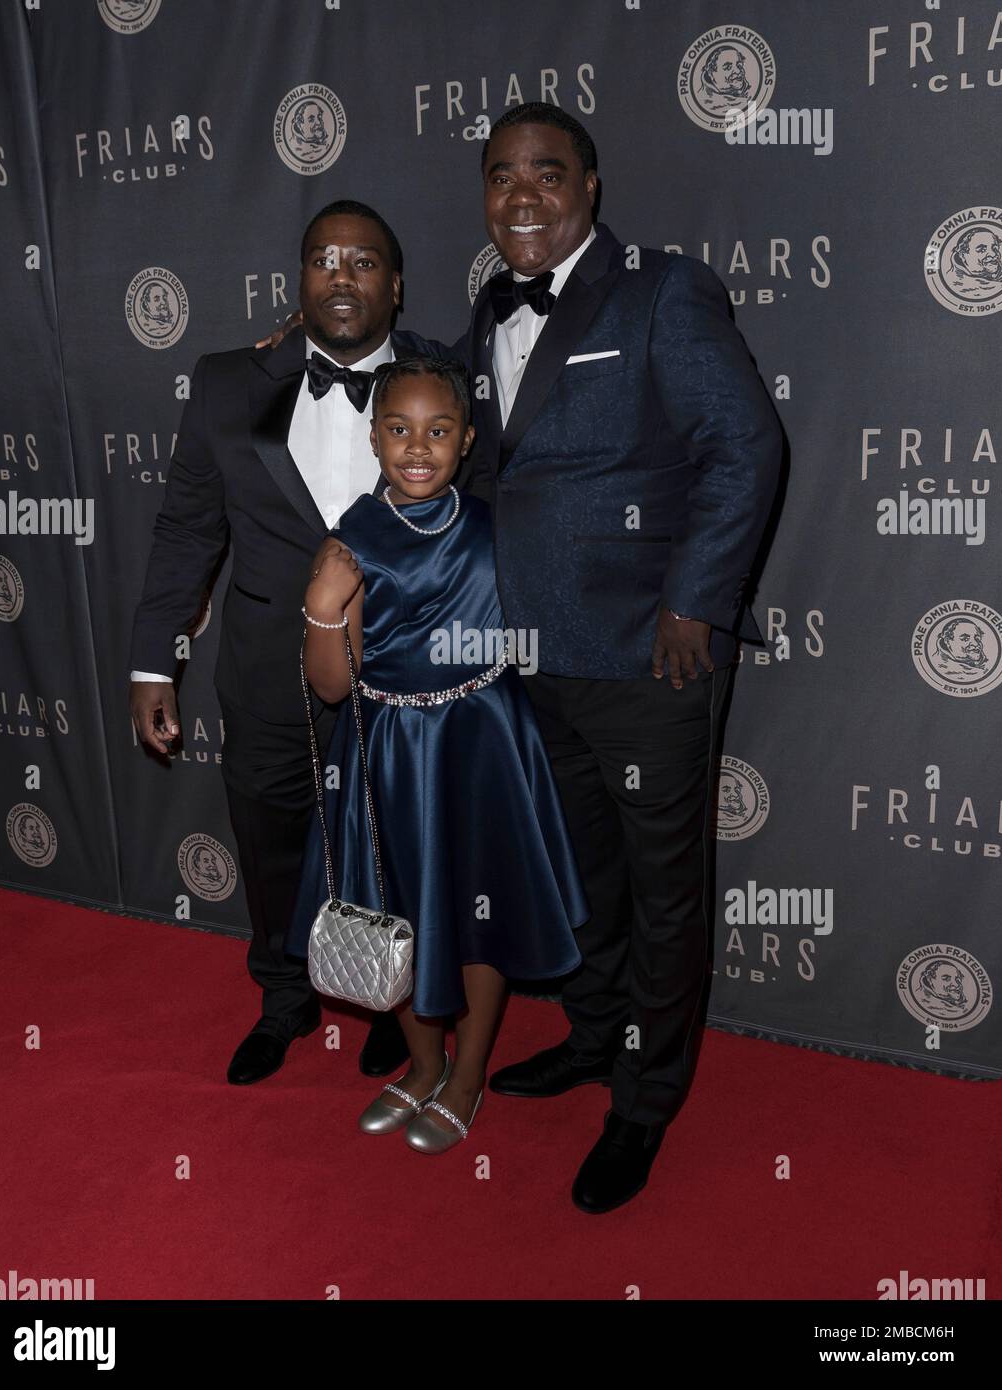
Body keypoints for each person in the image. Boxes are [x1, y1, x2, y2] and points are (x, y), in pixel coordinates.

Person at [459, 103, 783, 1213]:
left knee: (658, 888)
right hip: (532, 657)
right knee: (579, 868)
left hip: (653, 659)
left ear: (590, 186)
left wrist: (694, 602)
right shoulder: (482, 314)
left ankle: (643, 1100)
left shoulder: (660, 290)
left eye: (545, 174)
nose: (522, 197)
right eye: (501, 177)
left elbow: (744, 444)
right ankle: (595, 1035)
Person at [130, 201, 448, 1087]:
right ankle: (283, 999)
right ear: (298, 277)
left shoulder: (444, 381)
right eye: (323, 260)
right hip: (266, 669)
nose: (341, 278)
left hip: (404, 666)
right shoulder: (230, 379)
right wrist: (155, 657)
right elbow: (187, 531)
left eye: (364, 262)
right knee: (268, 837)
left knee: (397, 840)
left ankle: (398, 1002)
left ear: (396, 283)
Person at [285, 357, 587, 1153]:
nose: (418, 447)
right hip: (386, 749)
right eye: (399, 429)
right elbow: (329, 687)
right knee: (397, 908)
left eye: (439, 431)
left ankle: (468, 1074)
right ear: (375, 434)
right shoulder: (352, 535)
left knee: (477, 910)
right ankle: (421, 1064)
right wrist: (322, 608)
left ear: (467, 438)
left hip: (481, 744)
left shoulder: (497, 527)